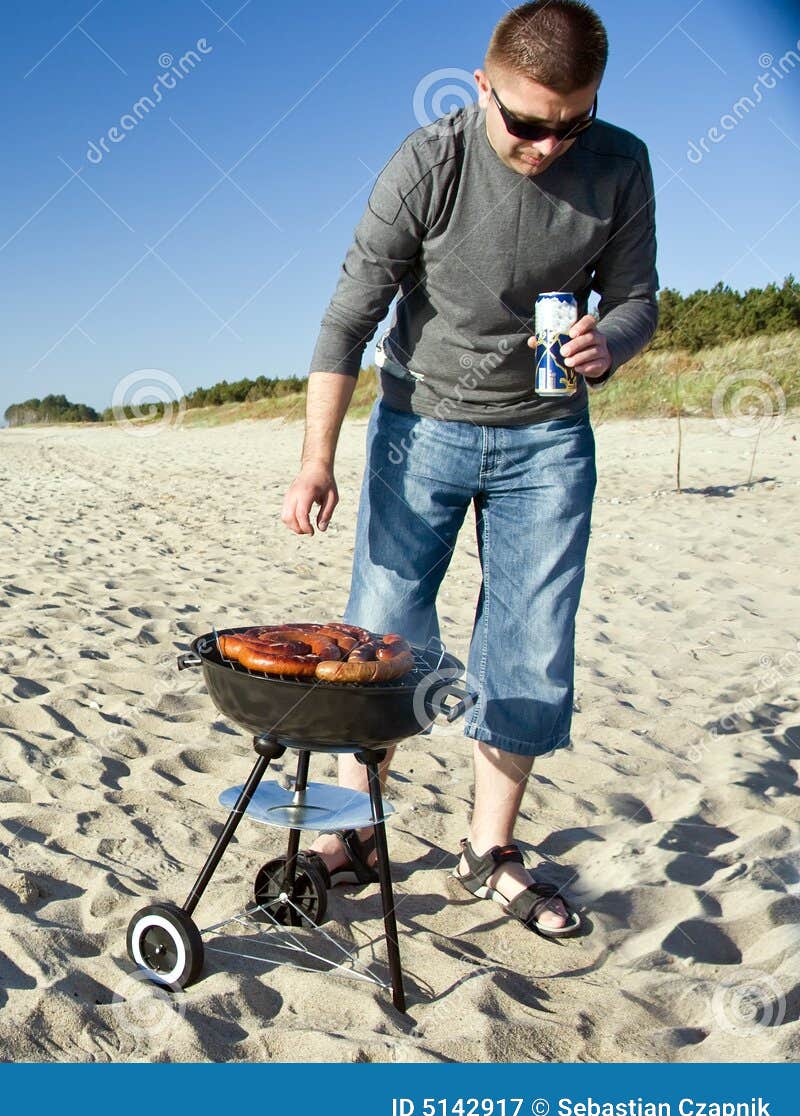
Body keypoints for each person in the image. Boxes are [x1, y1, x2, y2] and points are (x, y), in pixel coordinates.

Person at [279, 0, 658, 937]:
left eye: (572, 124)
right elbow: (348, 318)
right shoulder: (429, 162)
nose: (548, 146)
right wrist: (317, 460)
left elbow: (637, 298)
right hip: (421, 425)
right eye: (527, 124)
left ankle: (489, 849)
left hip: (548, 439)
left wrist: (610, 341)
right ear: (483, 88)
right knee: (382, 631)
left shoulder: (622, 162)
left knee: (530, 638)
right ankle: (356, 832)